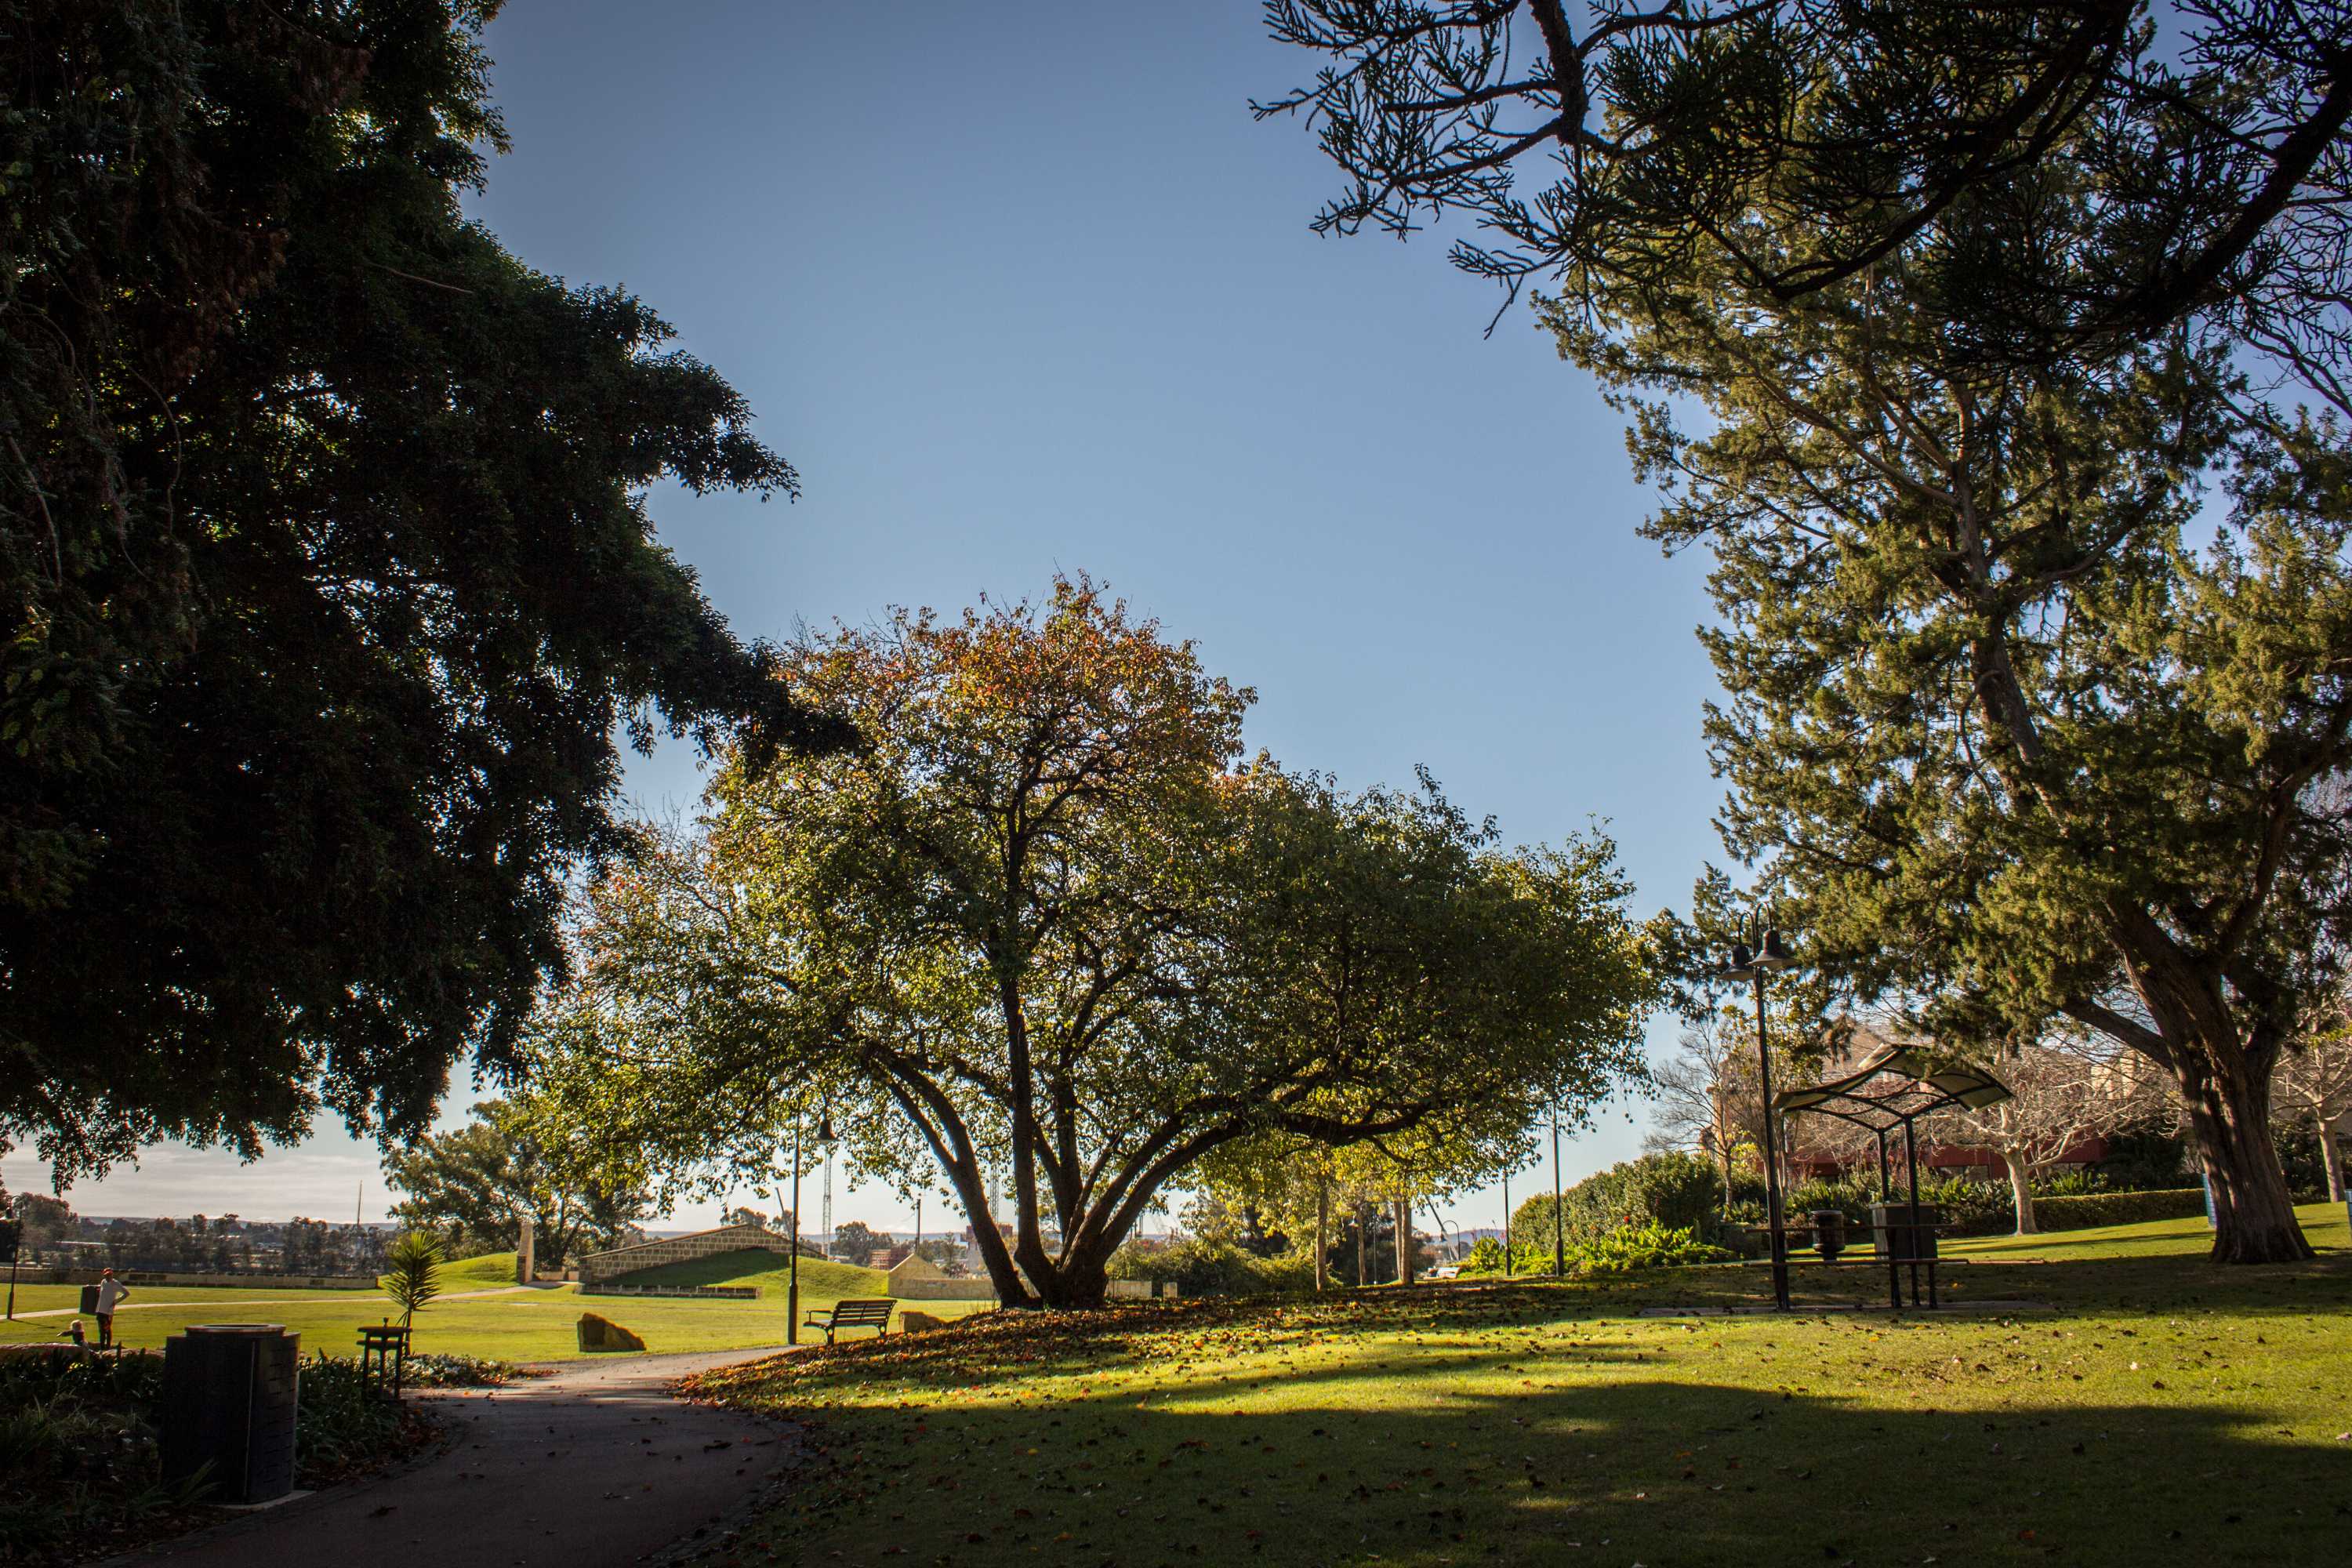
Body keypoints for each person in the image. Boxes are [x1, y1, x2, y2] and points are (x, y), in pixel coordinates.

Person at [93, 1267, 129, 1350]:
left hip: (108, 1311)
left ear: (112, 1274)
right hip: (100, 1310)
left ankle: (108, 1347)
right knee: (101, 1331)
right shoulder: (103, 1282)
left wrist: (116, 1301)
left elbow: (126, 1293)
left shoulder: (116, 1283)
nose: (108, 1276)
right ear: (104, 1275)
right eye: (107, 1275)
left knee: (107, 1330)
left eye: (110, 1274)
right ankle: (102, 1348)